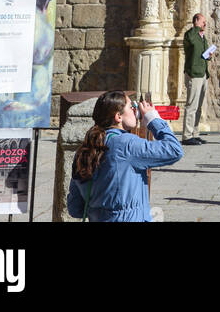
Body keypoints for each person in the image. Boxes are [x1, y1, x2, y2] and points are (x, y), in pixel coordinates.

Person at [67, 91, 182, 222]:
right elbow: (174, 150)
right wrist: (153, 120)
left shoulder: (85, 149)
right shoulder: (128, 145)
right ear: (118, 117)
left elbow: (75, 208)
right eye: (131, 106)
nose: (135, 110)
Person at [182, 12, 212, 145]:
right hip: (194, 74)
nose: (205, 24)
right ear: (196, 22)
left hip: (203, 73)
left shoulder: (202, 36)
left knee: (199, 106)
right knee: (191, 105)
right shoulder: (191, 34)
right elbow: (192, 43)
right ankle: (187, 136)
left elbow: (202, 53)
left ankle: (195, 132)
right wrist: (195, 28)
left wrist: (209, 55)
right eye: (202, 21)